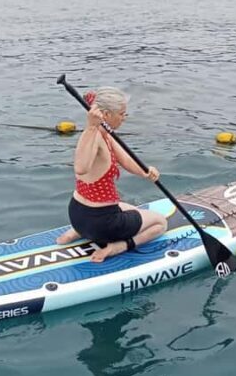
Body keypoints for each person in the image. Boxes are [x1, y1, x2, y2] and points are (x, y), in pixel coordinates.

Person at [57, 87, 167, 262]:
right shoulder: (92, 135)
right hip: (103, 226)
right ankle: (118, 247)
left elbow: (126, 161)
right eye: (122, 114)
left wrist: (147, 172)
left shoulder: (105, 133)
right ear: (106, 115)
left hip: (77, 215)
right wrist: (91, 127)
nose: (124, 118)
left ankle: (76, 232)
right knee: (160, 223)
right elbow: (80, 167)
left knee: (133, 209)